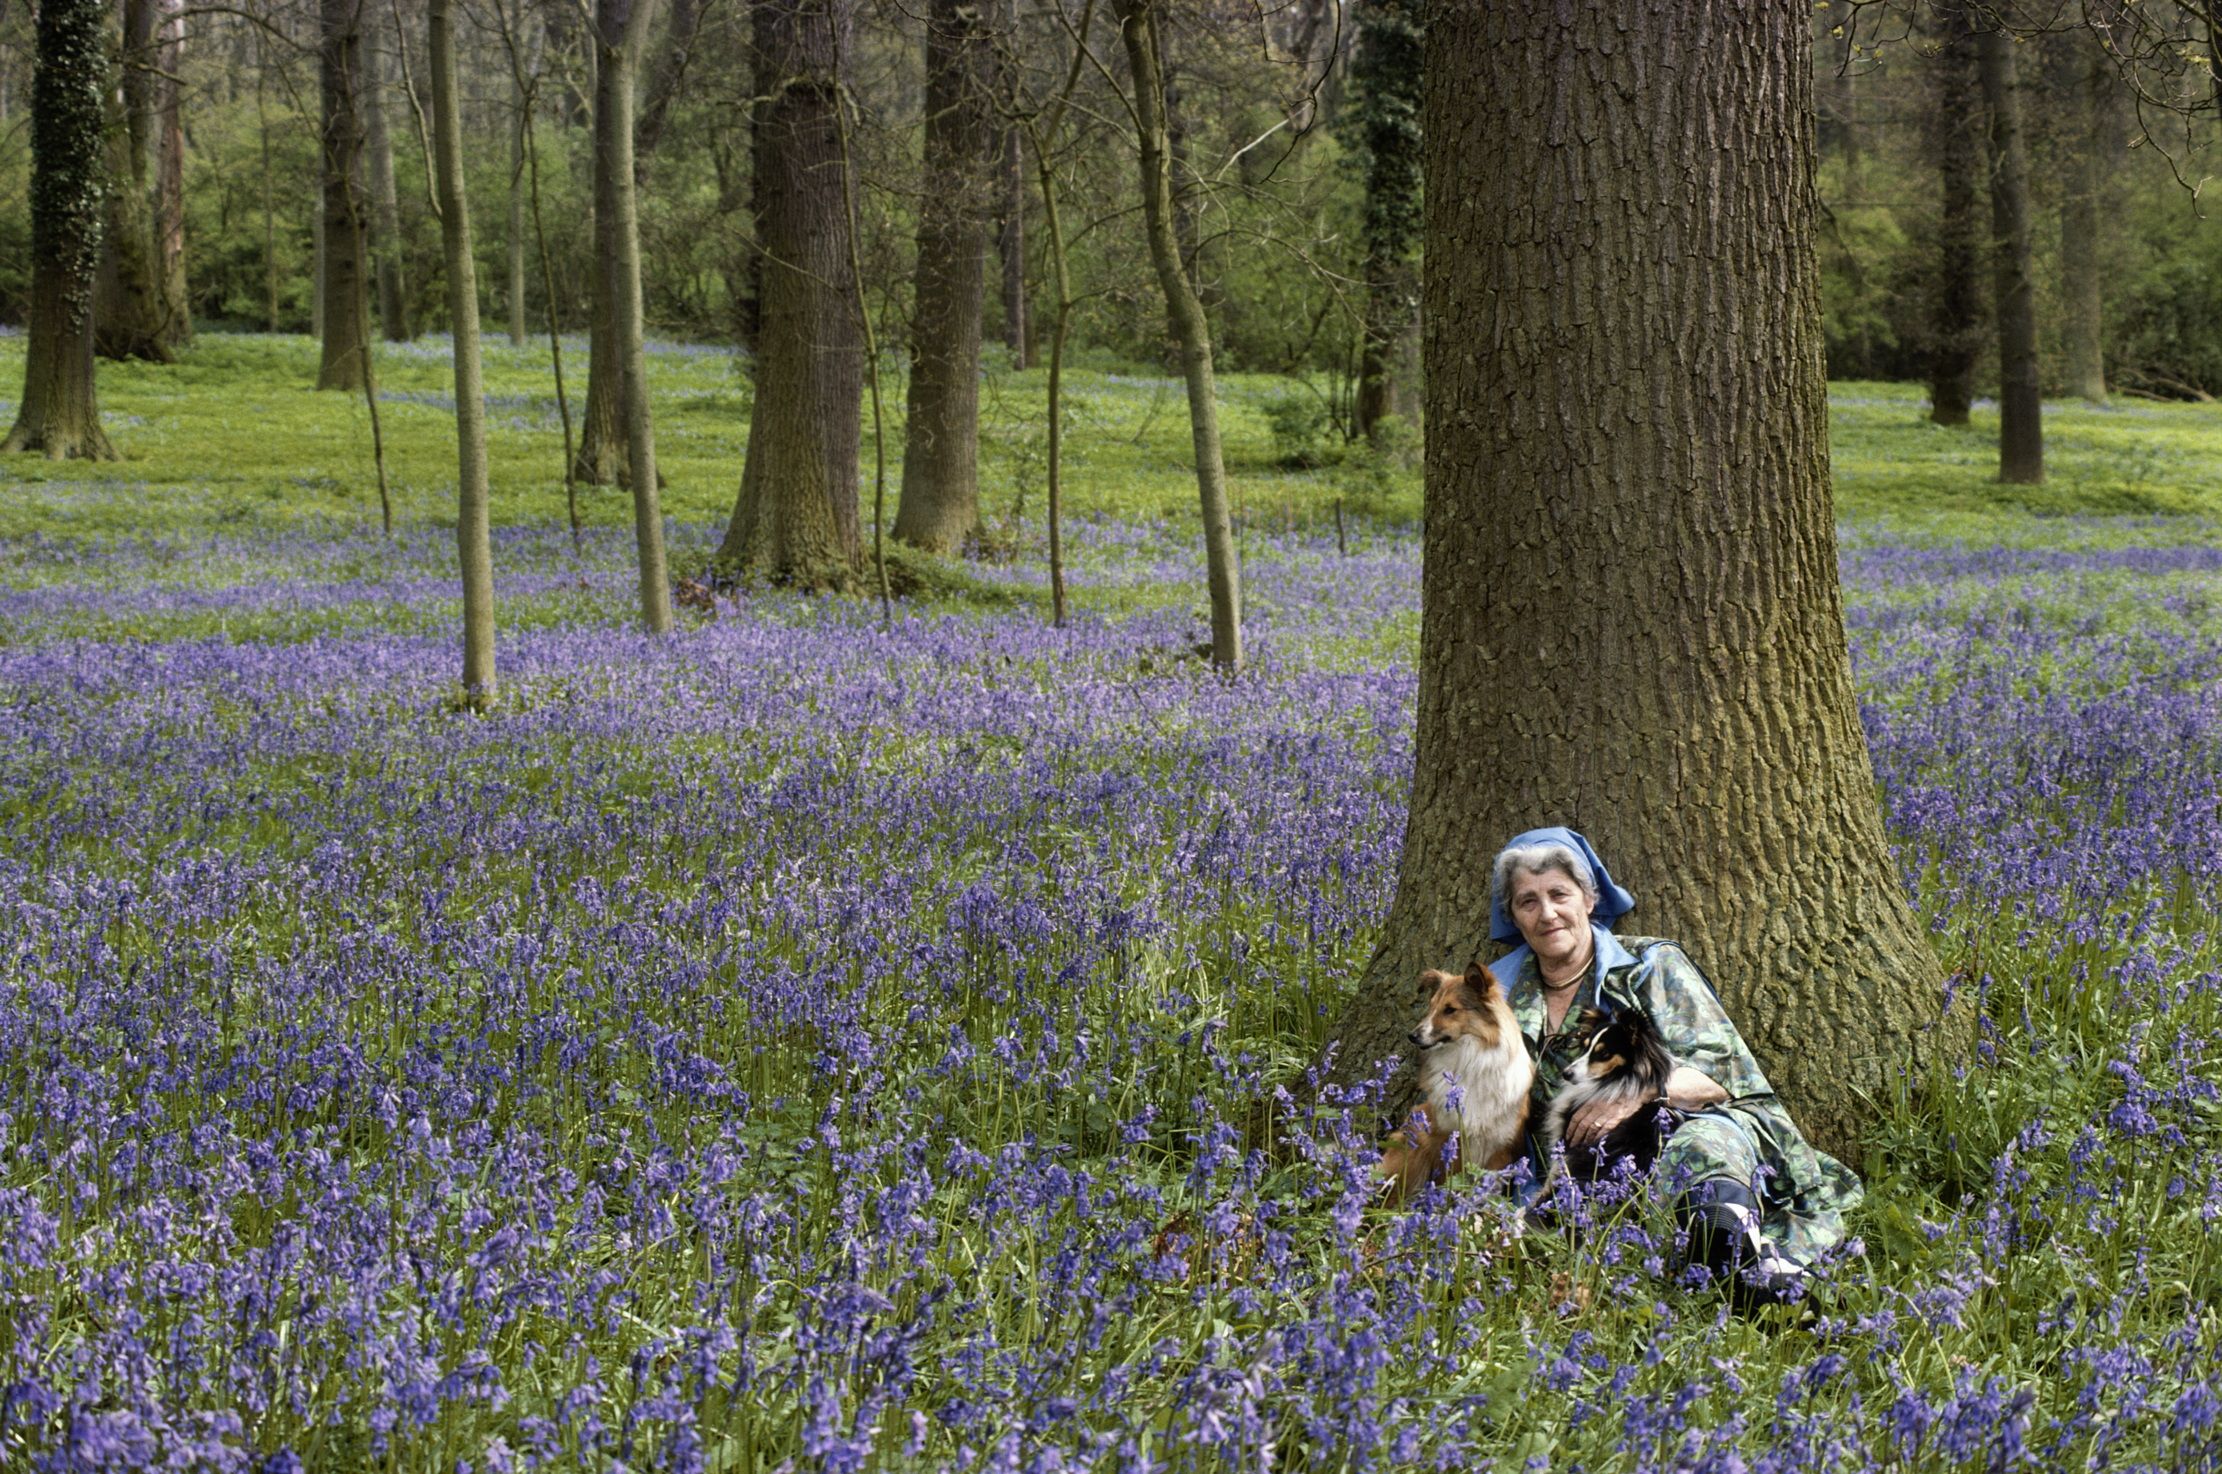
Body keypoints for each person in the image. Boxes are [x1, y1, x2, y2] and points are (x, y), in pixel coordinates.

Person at [1485, 825, 1863, 1301]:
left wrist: (1638, 1093)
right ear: (1514, 917)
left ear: (1588, 897)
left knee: (1701, 1145)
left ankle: (1736, 1266)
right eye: (1528, 902)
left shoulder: (1649, 965)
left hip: (1681, 1128)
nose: (1547, 913)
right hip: (1583, 1170)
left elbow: (1720, 1075)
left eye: (1559, 894)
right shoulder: (1495, 994)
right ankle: (1744, 1280)